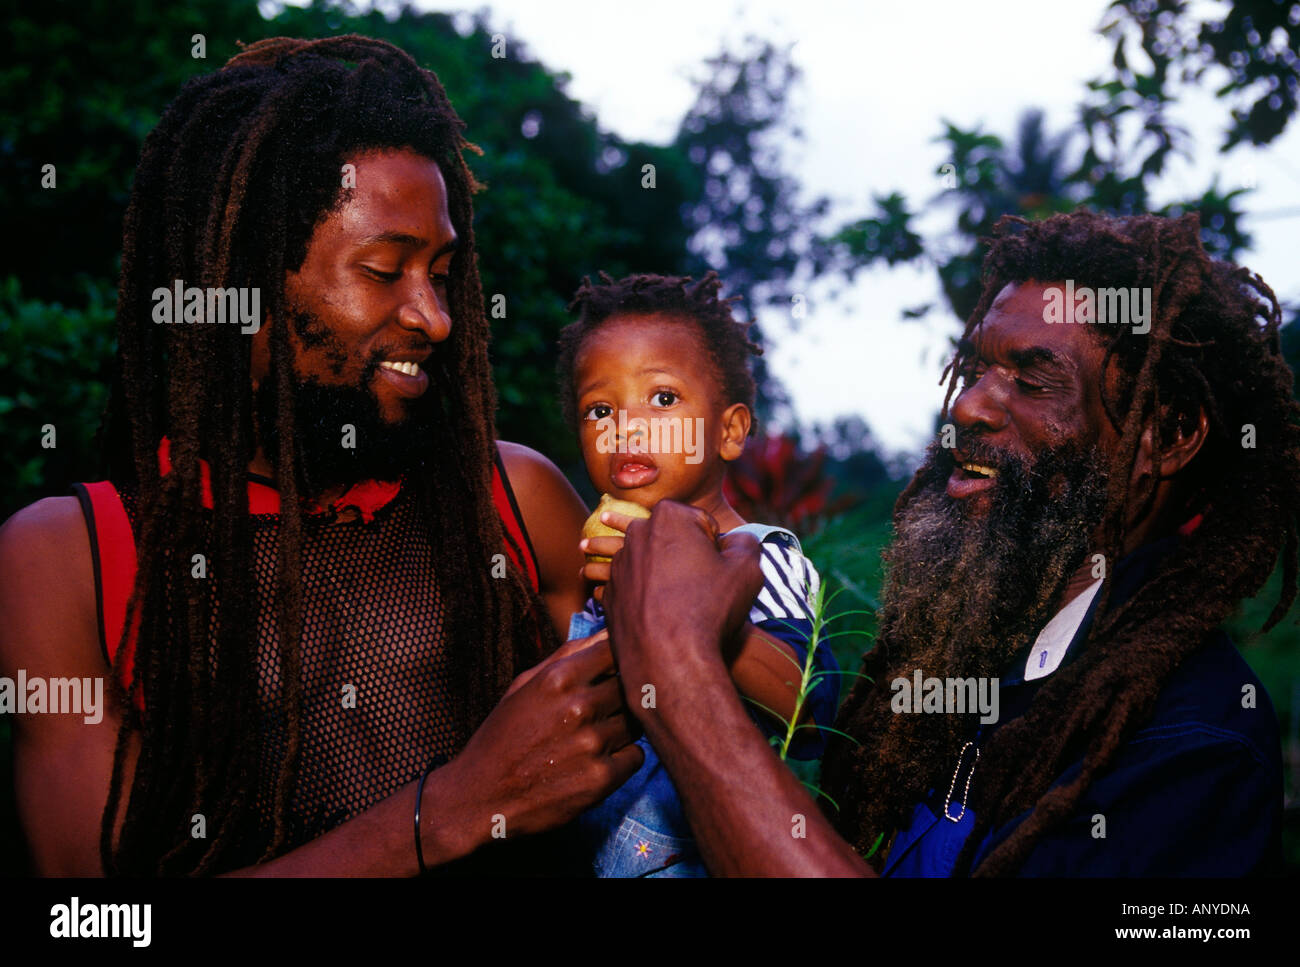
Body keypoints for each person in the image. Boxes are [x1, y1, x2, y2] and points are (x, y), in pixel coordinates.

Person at [0, 35, 641, 876]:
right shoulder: (69, 560)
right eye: (384, 270)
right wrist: (444, 813)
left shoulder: (512, 501)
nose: (437, 317)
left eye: (442, 272)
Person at [602, 211, 1297, 876]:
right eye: (972, 371)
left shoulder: (1196, 749)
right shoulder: (947, 659)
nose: (967, 405)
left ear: (1167, 436)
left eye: (1031, 379)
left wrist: (682, 676)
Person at [554, 271, 838, 876]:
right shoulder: (594, 563)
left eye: (662, 399)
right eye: (600, 409)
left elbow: (807, 704)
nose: (626, 427)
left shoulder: (759, 556)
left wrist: (694, 611)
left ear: (729, 431)